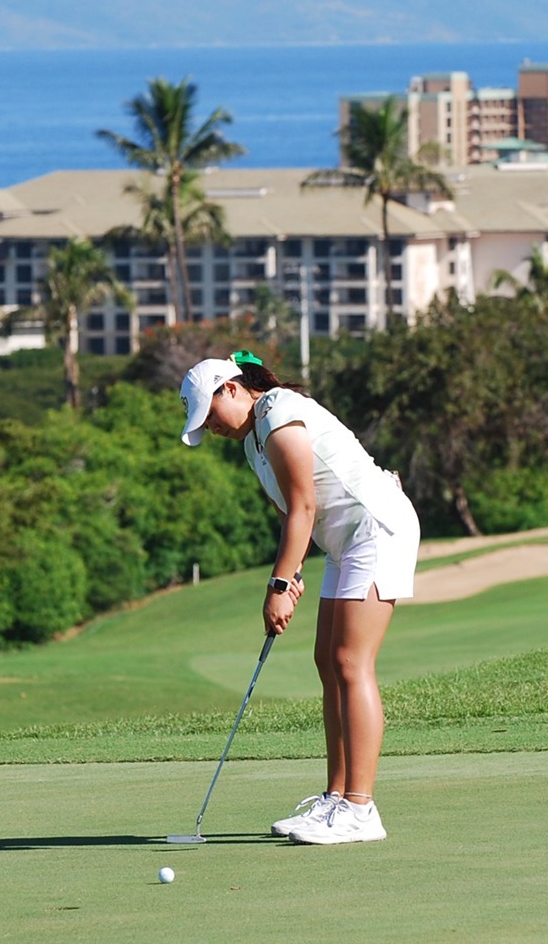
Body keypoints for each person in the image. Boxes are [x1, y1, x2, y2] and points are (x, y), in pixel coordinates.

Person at [180, 351, 420, 846]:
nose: (213, 429)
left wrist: (279, 585)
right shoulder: (254, 443)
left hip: (376, 530)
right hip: (344, 543)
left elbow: (305, 507)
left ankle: (360, 807)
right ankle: (337, 799)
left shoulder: (277, 412)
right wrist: (294, 574)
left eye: (210, 414)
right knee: (327, 661)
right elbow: (293, 514)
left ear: (230, 388)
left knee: (351, 662)